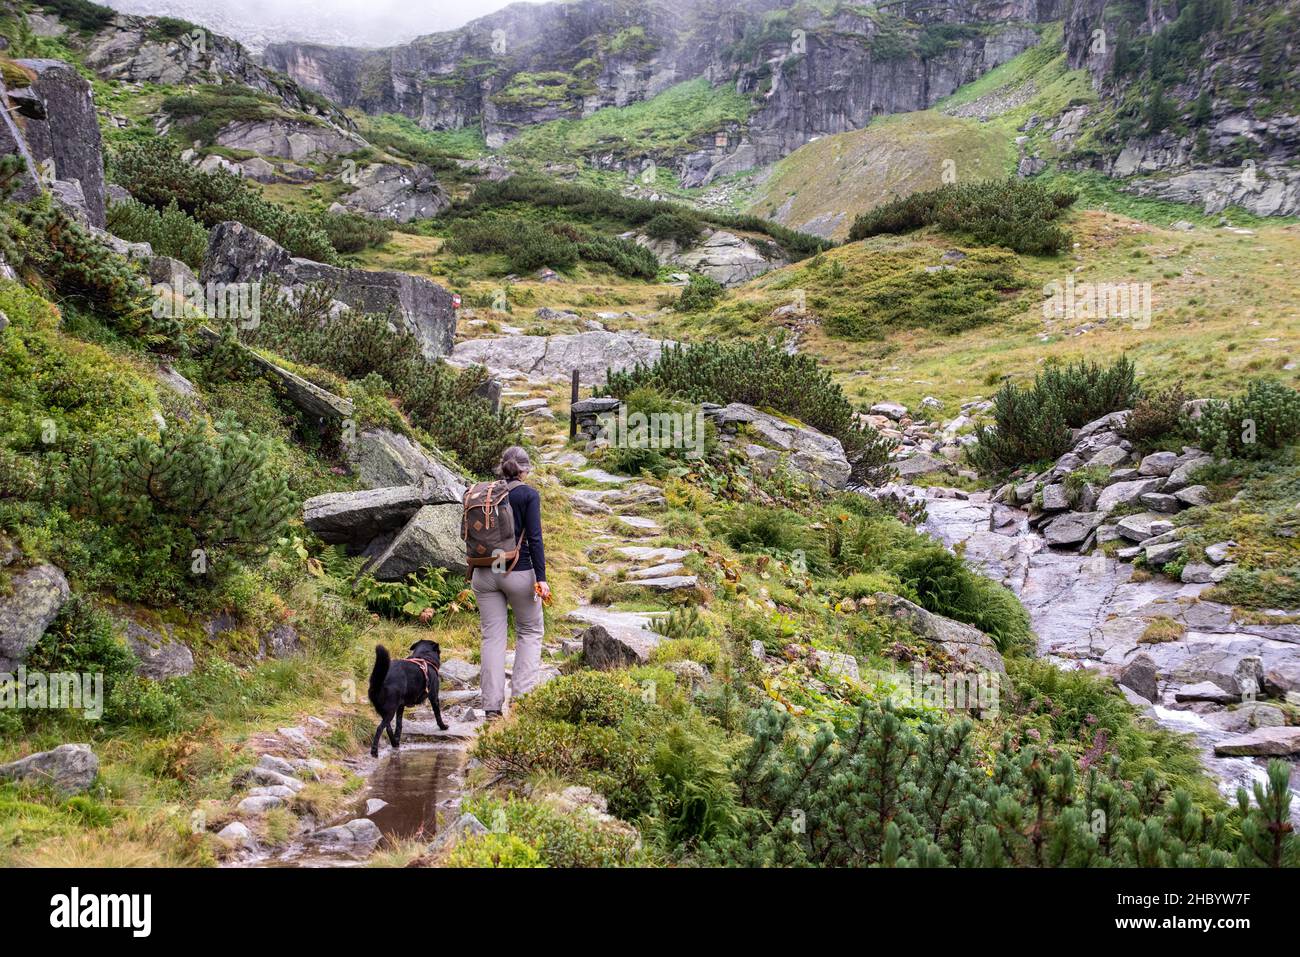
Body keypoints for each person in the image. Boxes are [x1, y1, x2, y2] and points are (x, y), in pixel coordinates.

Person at [471, 446, 550, 719]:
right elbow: (535, 539)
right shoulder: (528, 495)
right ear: (525, 470)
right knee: (529, 631)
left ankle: (491, 708)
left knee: (492, 637)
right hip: (519, 571)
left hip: (484, 573)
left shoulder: (485, 492)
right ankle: (521, 702)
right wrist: (541, 579)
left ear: (502, 467)